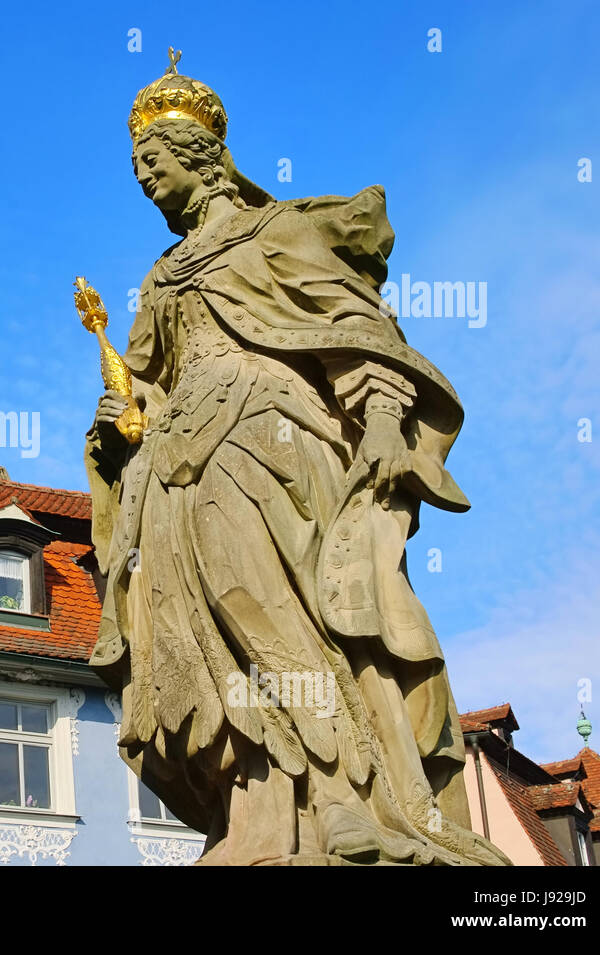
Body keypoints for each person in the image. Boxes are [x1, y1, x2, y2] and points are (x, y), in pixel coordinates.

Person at [85, 53, 508, 865]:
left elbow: (356, 330)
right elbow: (148, 388)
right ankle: (258, 810)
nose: (141, 176)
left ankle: (345, 795)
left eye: (151, 159)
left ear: (198, 156)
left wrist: (382, 422)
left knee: (278, 612)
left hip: (267, 440)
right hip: (176, 465)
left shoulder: (271, 232)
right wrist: (119, 423)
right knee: (191, 637)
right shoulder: (161, 279)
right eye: (135, 164)